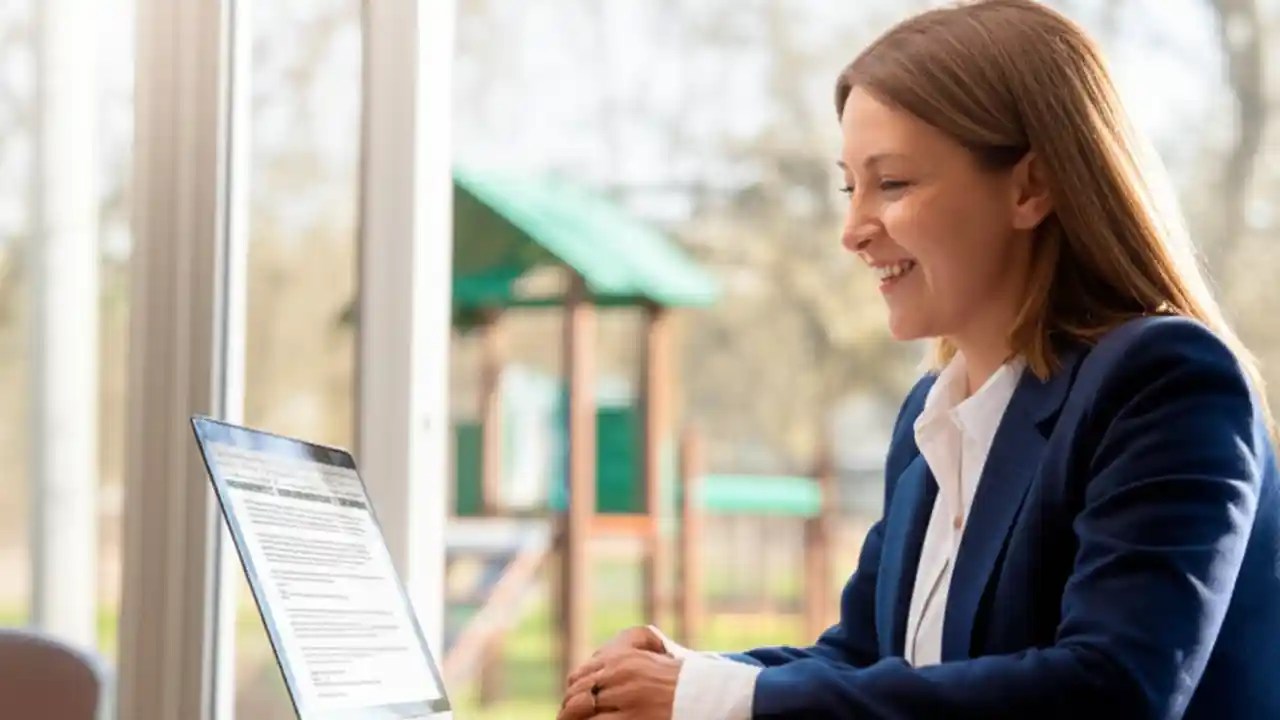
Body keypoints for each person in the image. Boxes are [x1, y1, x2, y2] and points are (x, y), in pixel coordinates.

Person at [557, 1, 1280, 718]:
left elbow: (1107, 690)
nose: (853, 230)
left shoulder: (1165, 381)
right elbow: (867, 660)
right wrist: (683, 676)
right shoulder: (934, 414)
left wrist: (723, 698)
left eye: (893, 183)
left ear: (1031, 187)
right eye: (850, 186)